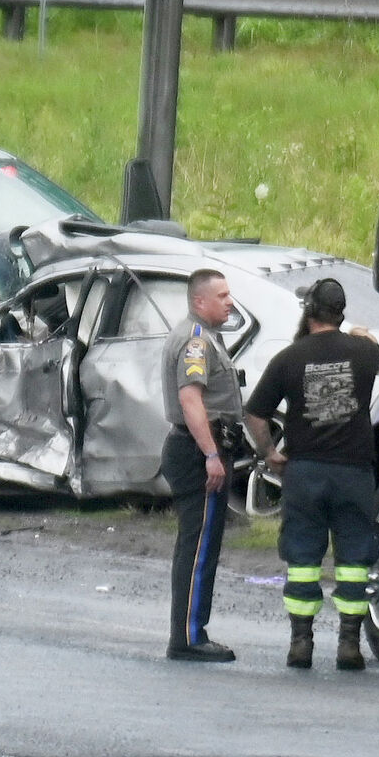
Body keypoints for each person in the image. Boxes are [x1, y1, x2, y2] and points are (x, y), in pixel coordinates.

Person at [245, 278, 379, 671]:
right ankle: (349, 645)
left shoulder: (289, 358)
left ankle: (301, 642)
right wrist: (360, 332)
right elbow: (374, 347)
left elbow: (255, 414)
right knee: (356, 558)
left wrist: (270, 453)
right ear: (340, 312)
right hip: (354, 473)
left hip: (304, 472)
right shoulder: (363, 353)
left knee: (303, 558)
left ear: (308, 312)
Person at [160, 268, 248, 662]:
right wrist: (212, 454)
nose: (230, 301)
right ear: (200, 301)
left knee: (200, 544)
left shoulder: (208, 337)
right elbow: (191, 399)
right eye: (223, 295)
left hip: (202, 449)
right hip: (198, 453)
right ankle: (189, 638)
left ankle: (191, 632)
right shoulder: (196, 342)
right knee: (197, 547)